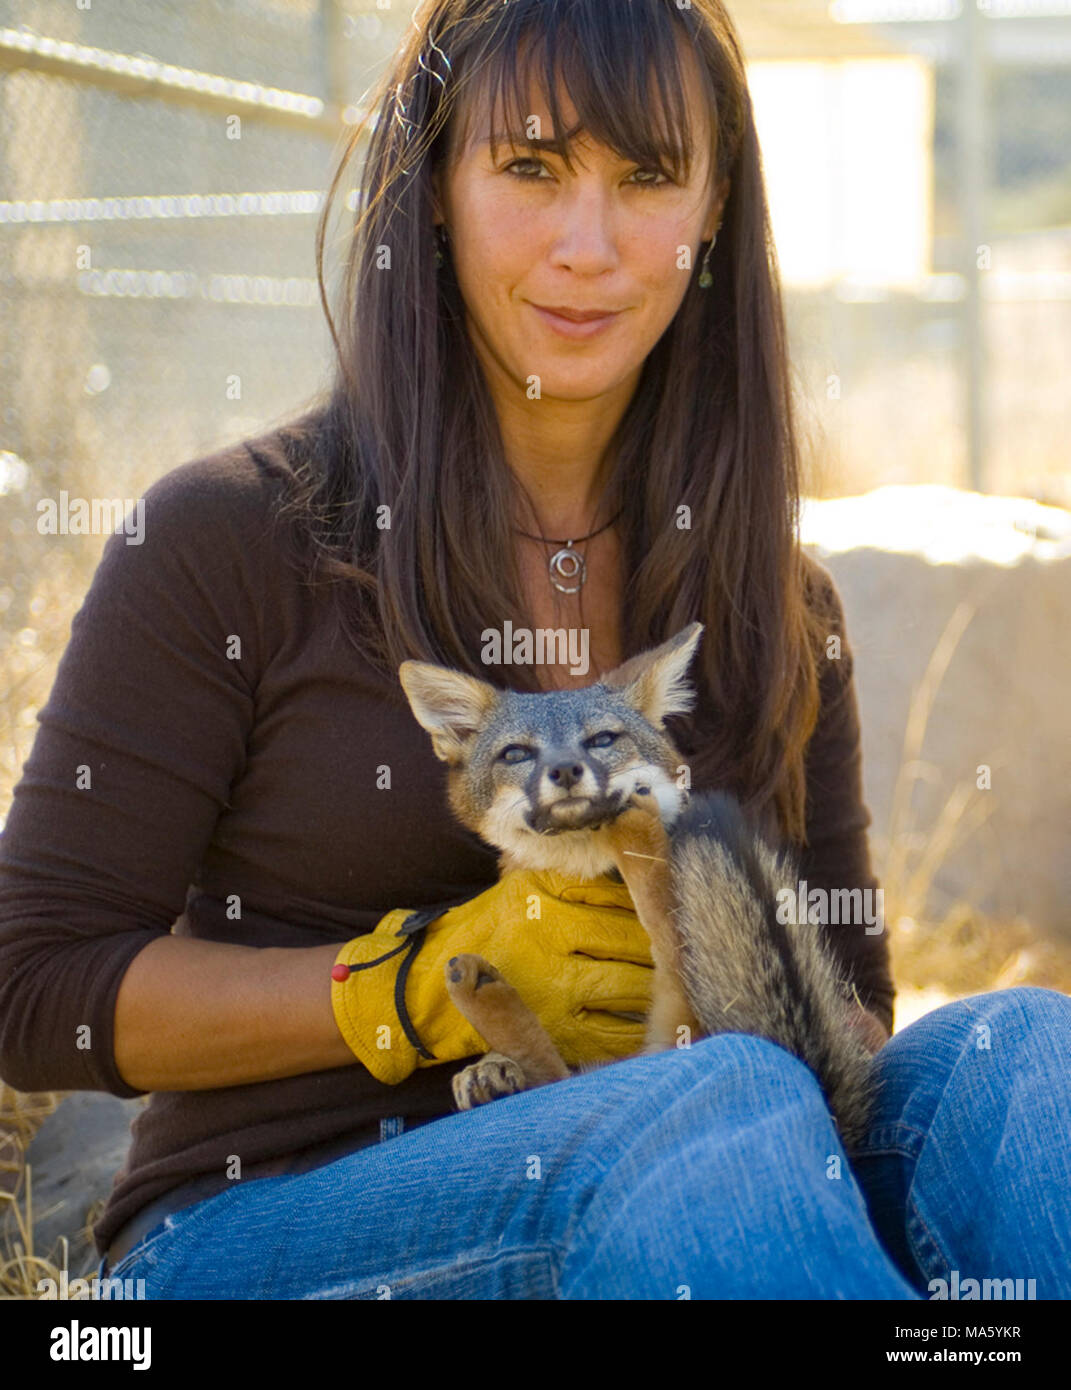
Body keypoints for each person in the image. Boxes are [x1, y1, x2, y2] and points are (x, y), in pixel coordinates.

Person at [1, 0, 1067, 1300]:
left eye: (649, 176)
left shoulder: (775, 601)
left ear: (716, 206)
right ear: (436, 186)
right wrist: (404, 990)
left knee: (1026, 1053)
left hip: (713, 1177)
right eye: (532, 166)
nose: (590, 245)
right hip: (260, 1229)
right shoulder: (224, 539)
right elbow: (33, 985)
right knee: (711, 1108)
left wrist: (741, 985)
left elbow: (851, 1008)